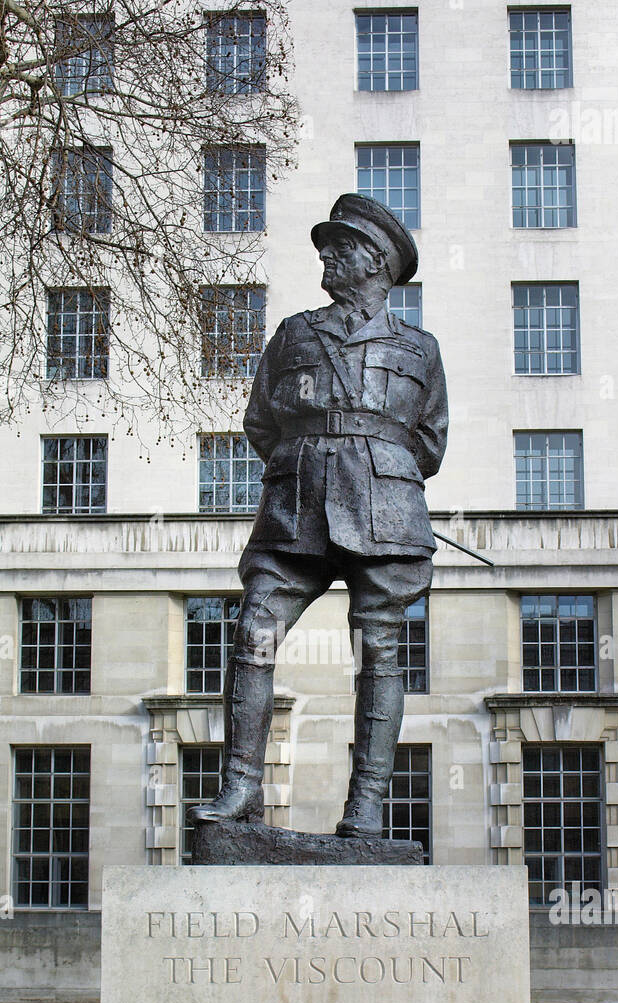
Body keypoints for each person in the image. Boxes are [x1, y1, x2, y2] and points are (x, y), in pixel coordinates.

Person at [190, 192, 448, 838]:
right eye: (327, 248)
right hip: (295, 508)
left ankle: (366, 805)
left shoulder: (420, 350)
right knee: (253, 633)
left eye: (341, 248)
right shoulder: (295, 334)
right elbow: (261, 423)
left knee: (381, 653)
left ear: (376, 262)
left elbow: (431, 442)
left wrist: (372, 461)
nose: (327, 257)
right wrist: (313, 457)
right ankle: (241, 789)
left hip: (386, 514)